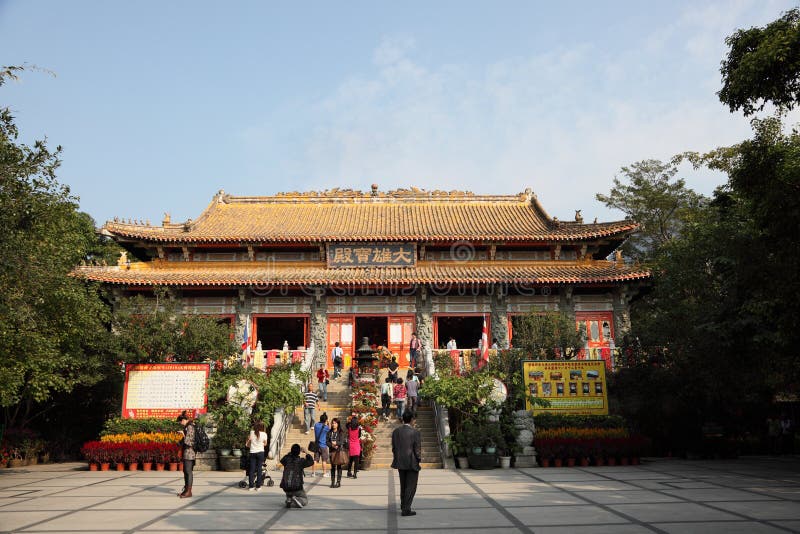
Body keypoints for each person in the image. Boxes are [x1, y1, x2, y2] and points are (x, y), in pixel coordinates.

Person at [392, 411, 421, 517]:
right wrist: (418, 459)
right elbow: (417, 449)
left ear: (403, 419)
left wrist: (397, 458)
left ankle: (403, 505)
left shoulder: (396, 431)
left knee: (403, 485)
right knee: (411, 486)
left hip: (400, 461)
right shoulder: (415, 432)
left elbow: (394, 448)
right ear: (412, 419)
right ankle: (406, 508)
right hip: (411, 462)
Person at [280, 443, 314, 508]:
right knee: (305, 500)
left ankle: (289, 499)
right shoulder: (301, 461)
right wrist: (306, 452)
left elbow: (282, 460)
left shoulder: (286, 459)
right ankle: (297, 499)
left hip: (286, 487)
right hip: (297, 487)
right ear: (299, 452)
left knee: (289, 492)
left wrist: (291, 452)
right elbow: (311, 462)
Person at [177, 410, 195, 498]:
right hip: (186, 452)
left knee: (188, 471)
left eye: (181, 422)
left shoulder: (190, 427)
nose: (181, 423)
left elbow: (189, 442)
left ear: (184, 420)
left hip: (190, 453)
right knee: (185, 471)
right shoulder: (187, 427)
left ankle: (189, 492)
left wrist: (183, 434)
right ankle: (186, 490)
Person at [245, 420, 268, 491]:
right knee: (259, 469)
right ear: (261, 426)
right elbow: (265, 444)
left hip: (252, 452)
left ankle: (251, 486)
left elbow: (248, 443)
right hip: (260, 453)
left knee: (251, 469)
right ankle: (258, 486)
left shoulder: (251, 433)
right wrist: (261, 443)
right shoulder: (264, 434)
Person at [327, 417, 348, 488]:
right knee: (332, 467)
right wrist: (332, 445)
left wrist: (336, 443)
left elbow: (342, 441)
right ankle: (332, 482)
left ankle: (338, 482)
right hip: (331, 451)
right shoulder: (329, 432)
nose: (333, 424)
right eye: (332, 423)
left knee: (339, 466)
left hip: (339, 451)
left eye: (335, 423)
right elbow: (327, 442)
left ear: (338, 424)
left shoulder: (341, 432)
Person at [313, 413, 330, 477]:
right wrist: (328, 423)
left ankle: (313, 473)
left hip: (316, 445)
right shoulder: (326, 427)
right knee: (324, 460)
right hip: (323, 445)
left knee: (315, 460)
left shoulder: (316, 425)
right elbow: (329, 431)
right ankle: (324, 473)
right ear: (325, 420)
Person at [346, 413, 362, 478]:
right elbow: (359, 436)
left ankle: (349, 472)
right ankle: (355, 473)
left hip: (351, 445)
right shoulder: (359, 429)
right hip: (357, 445)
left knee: (350, 460)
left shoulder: (349, 428)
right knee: (356, 461)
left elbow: (347, 424)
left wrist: (350, 420)